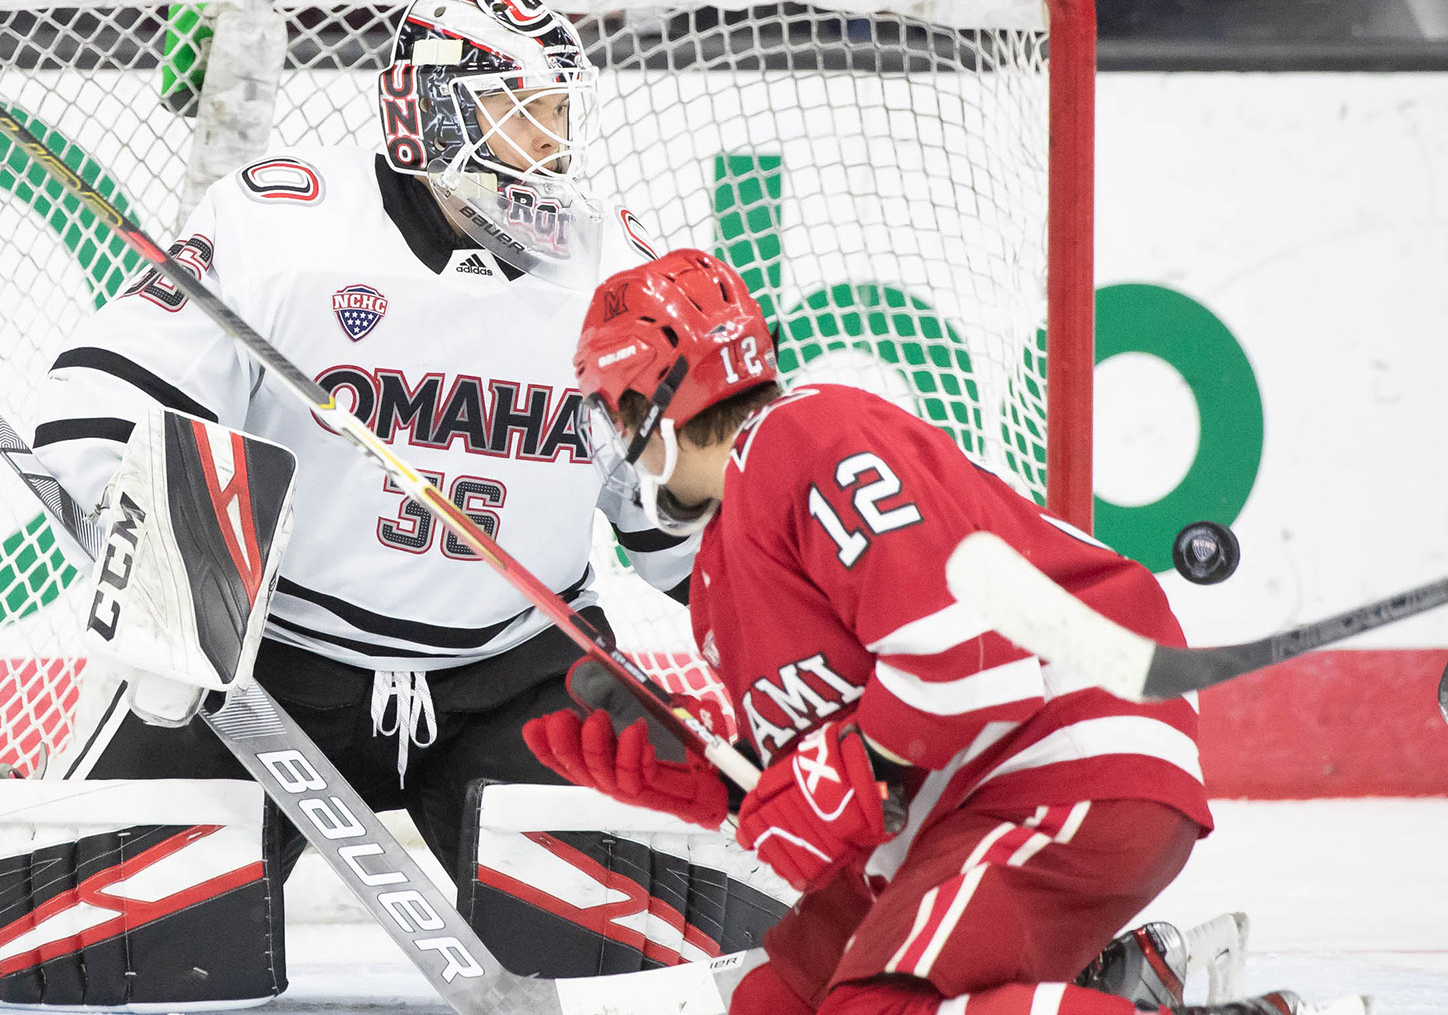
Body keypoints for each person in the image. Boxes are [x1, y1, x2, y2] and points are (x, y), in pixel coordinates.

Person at [527, 248, 1326, 1015]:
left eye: (608, 406)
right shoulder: (722, 570)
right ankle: (1105, 989)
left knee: (874, 1010)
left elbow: (974, 657)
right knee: (776, 1002)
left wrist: (845, 777)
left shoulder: (802, 440)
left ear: (645, 407)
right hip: (970, 800)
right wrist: (717, 784)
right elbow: (850, 782)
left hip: (1063, 753)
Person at [29, 0, 689, 887]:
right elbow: (103, 397)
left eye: (558, 114)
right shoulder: (284, 224)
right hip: (267, 675)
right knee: (89, 937)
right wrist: (159, 585)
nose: (548, 146)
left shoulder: (615, 265)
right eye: (518, 110)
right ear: (433, 113)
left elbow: (677, 517)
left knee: (664, 931)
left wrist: (801, 628)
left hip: (522, 671)